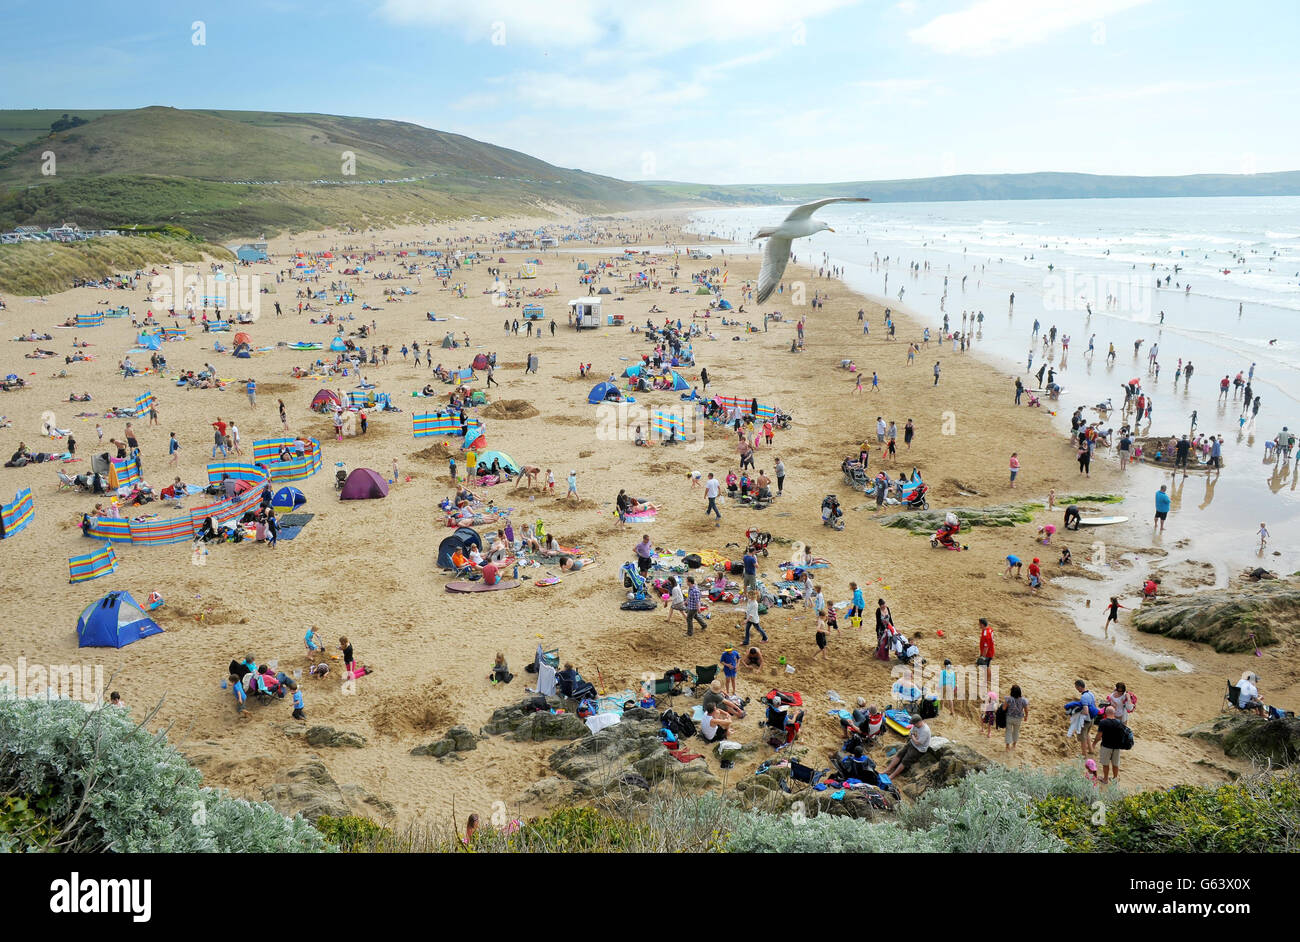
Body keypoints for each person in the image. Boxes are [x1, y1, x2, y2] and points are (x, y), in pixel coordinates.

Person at [1092, 705, 1126, 784]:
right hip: (1117, 747)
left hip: (1106, 746)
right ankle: (1114, 779)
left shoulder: (1103, 722)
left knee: (1105, 763)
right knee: (1115, 764)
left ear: (1106, 712)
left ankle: (1105, 779)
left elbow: (1099, 736)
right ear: (1114, 713)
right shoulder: (1119, 722)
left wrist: (1094, 743)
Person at [1069, 679, 1097, 757]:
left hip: (1086, 720)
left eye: (1076, 687)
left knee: (1082, 737)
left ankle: (1084, 755)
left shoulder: (1084, 697)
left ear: (1079, 687)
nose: (1076, 689)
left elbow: (1086, 711)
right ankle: (1091, 750)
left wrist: (1076, 713)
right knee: (1087, 734)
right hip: (1091, 719)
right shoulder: (1090, 693)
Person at [1003, 684, 1029, 752]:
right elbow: (1026, 709)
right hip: (1018, 718)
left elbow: (1004, 708)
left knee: (1008, 731)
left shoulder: (1008, 699)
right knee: (1016, 731)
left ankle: (1007, 746)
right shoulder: (1023, 700)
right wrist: (1026, 716)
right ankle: (1014, 745)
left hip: (1009, 717)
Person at [977, 617, 994, 690]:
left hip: (987, 653)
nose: (979, 626)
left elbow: (986, 647)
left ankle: (987, 682)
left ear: (983, 624)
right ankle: (988, 680)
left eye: (980, 624)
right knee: (987, 666)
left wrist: (983, 656)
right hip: (990, 651)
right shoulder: (989, 629)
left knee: (986, 667)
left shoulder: (985, 634)